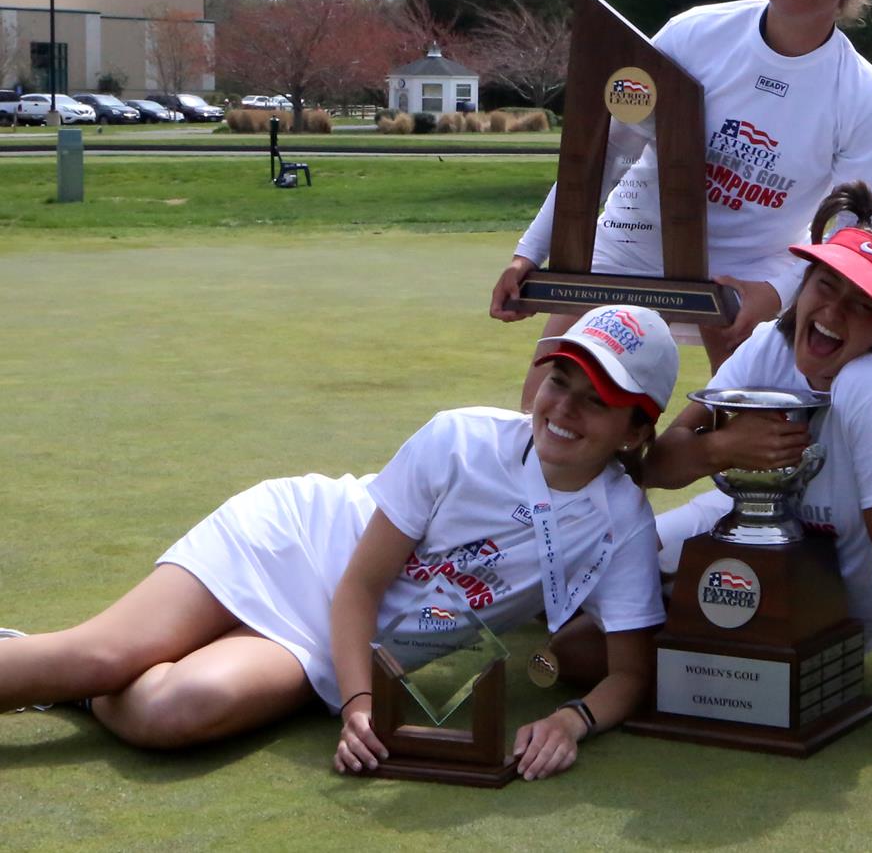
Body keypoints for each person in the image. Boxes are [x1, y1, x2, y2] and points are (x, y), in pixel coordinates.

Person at [0, 306, 675, 781]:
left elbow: (628, 674)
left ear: (635, 430)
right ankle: (75, 667)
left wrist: (570, 722)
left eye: (597, 398)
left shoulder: (624, 525)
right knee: (101, 652)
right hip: (292, 543)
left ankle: (82, 690)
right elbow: (361, 584)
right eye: (561, 380)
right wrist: (359, 704)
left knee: (177, 711)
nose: (564, 408)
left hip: (340, 645)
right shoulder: (461, 438)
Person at [493, 0, 872, 406]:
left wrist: (773, 291)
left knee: (748, 436)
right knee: (547, 402)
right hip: (635, 243)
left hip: (758, 269)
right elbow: (607, 148)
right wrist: (530, 253)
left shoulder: (866, 98)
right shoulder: (694, 34)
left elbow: (848, 236)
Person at [638, 181, 872, 766]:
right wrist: (725, 445)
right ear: (805, 284)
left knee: (631, 660)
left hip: (832, 615)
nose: (832, 312)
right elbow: (658, 464)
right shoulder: (768, 345)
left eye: (861, 305)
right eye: (827, 285)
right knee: (609, 574)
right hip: (745, 532)